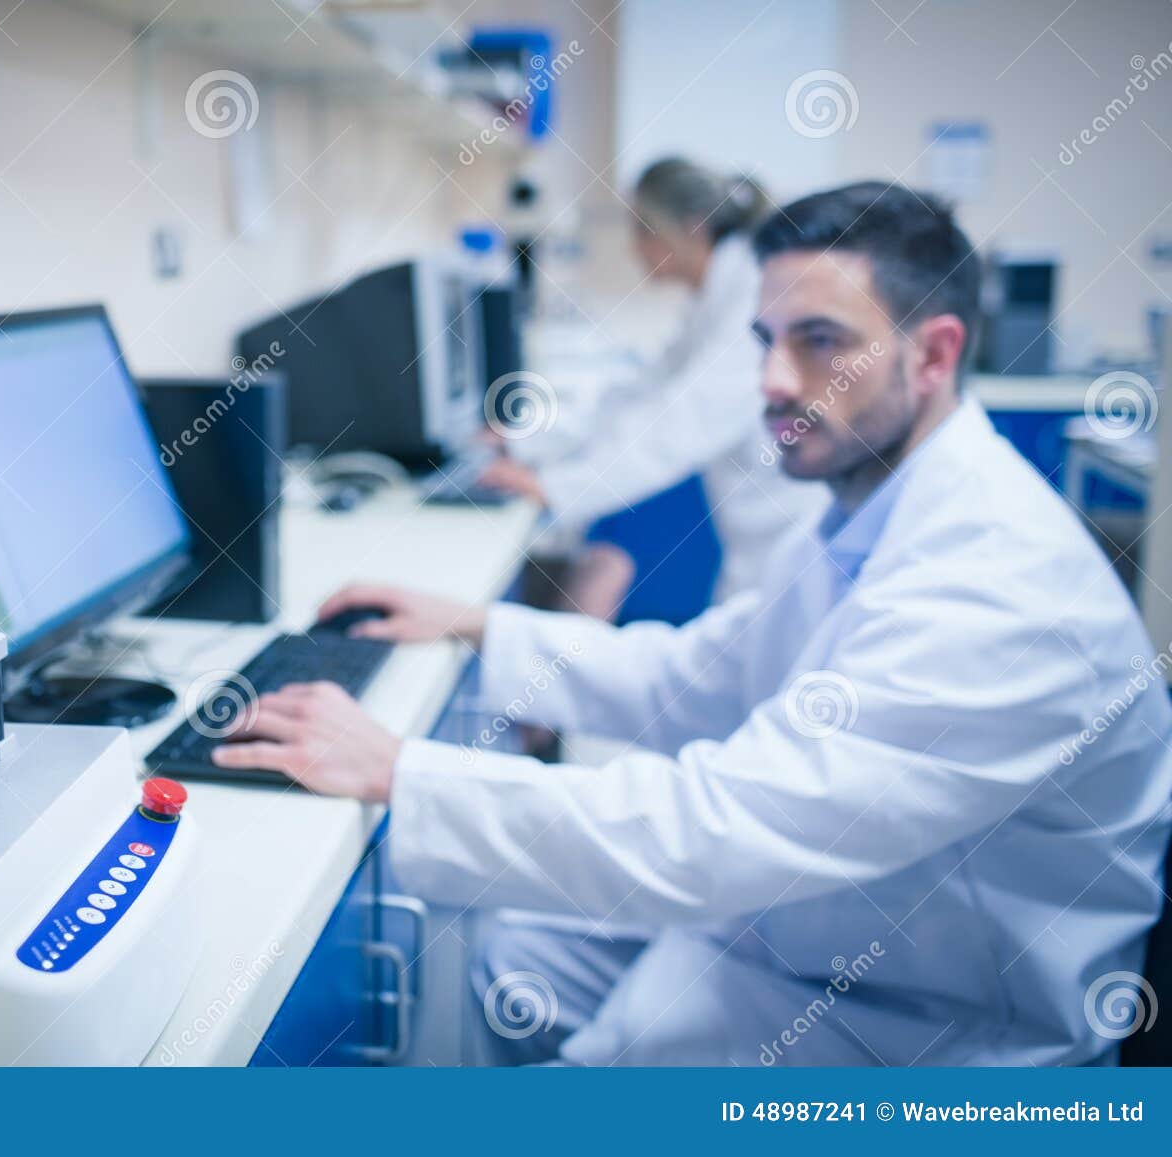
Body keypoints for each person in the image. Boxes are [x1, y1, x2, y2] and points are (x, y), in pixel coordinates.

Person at [214, 183, 1172, 1066]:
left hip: (931, 1027)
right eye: (764, 339)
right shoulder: (881, 505)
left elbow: (720, 832)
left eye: (821, 341)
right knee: (510, 957)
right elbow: (710, 670)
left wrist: (400, 769)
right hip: (824, 933)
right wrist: (482, 628)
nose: (772, 379)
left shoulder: (995, 586)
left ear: (934, 354)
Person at [480, 157, 825, 615]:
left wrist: (558, 487)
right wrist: (528, 445)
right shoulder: (714, 297)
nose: (634, 247)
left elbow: (684, 422)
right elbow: (642, 394)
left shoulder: (751, 293)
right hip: (750, 533)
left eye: (644, 228)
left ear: (693, 228)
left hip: (780, 535)